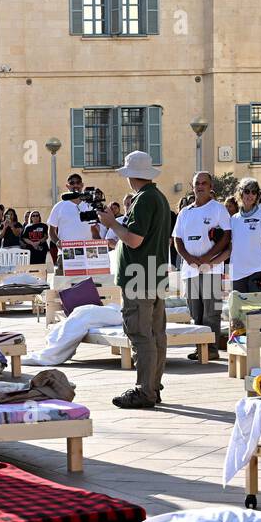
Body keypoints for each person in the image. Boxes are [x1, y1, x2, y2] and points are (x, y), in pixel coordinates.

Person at [96, 151, 171, 409]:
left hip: (139, 277)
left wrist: (111, 223)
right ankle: (153, 386)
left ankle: (145, 390)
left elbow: (135, 239)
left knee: (140, 335)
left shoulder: (143, 200)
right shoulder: (158, 197)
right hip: (155, 273)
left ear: (131, 176)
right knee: (156, 334)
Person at [172, 170, 230, 358]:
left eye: (204, 183)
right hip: (190, 269)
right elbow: (177, 239)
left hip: (211, 268)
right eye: (197, 183)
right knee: (195, 312)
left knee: (211, 312)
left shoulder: (218, 209)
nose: (200, 186)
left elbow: (226, 237)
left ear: (211, 186)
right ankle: (200, 349)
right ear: (193, 186)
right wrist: (188, 258)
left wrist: (207, 257)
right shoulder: (184, 212)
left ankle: (211, 350)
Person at [227, 178, 261, 295]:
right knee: (240, 311)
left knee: (258, 310)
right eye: (247, 191)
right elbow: (230, 248)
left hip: (258, 271)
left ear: (257, 195)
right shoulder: (233, 219)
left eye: (254, 192)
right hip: (237, 273)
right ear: (240, 193)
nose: (250, 195)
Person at [48, 173, 98, 259]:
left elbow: (94, 229)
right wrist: (57, 243)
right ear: (67, 186)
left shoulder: (89, 205)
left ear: (82, 185)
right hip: (67, 252)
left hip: (88, 252)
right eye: (72, 183)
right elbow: (51, 230)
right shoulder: (59, 206)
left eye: (78, 182)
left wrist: (99, 244)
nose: (75, 185)